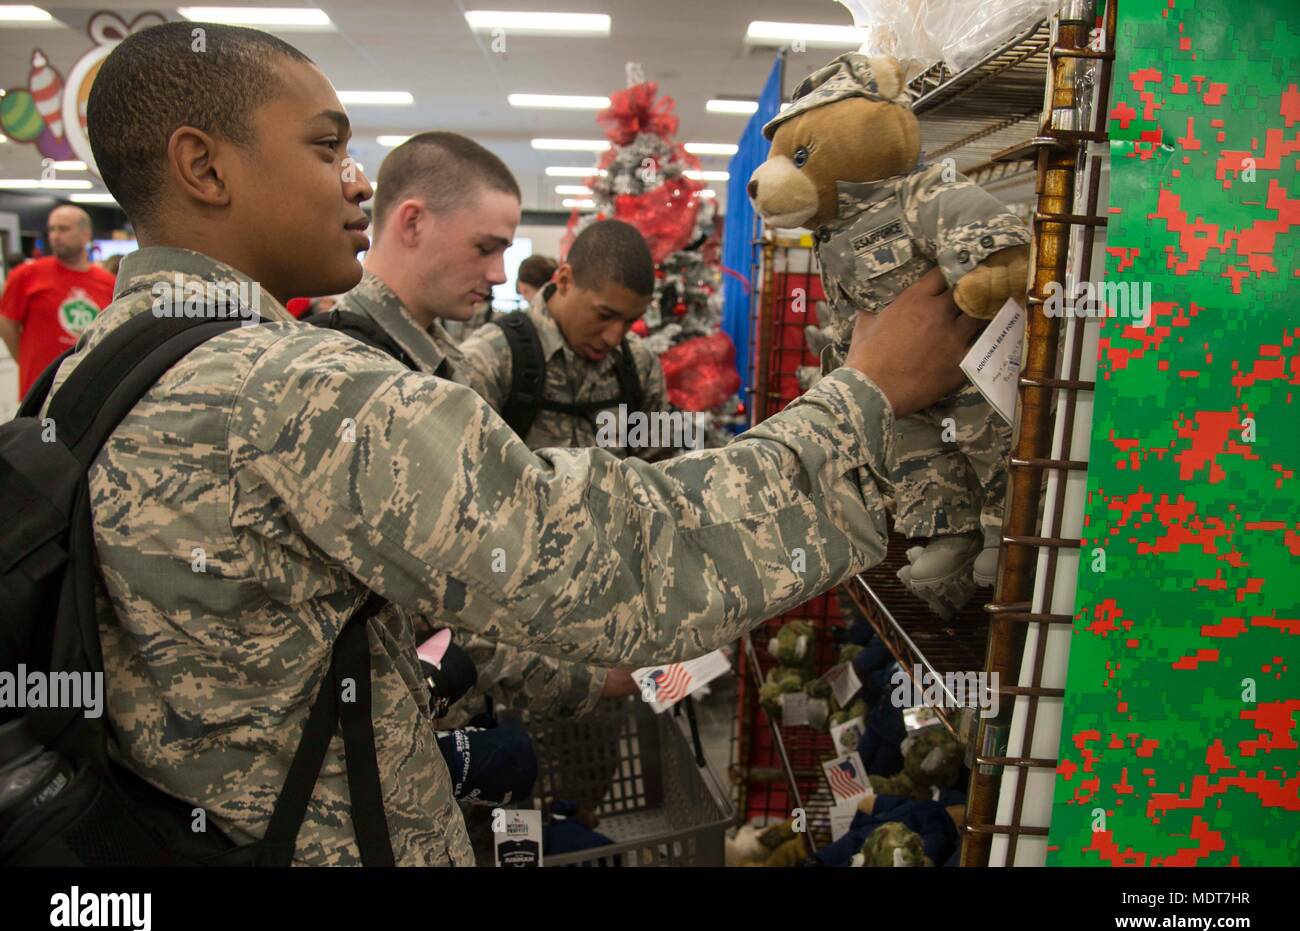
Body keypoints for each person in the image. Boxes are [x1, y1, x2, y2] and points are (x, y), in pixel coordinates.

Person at [52, 21, 980, 866]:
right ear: (204, 168)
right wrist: (865, 398)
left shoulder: (96, 366)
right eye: (325, 145)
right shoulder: (288, 390)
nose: (358, 180)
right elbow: (615, 555)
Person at [318, 131, 632, 724]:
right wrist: (580, 675)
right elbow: (419, 604)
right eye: (485, 247)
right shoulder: (361, 377)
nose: (497, 272)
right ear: (412, 223)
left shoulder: (436, 362)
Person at [460, 219, 676, 462]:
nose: (614, 337)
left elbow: (659, 473)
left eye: (629, 321)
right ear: (564, 280)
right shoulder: (490, 360)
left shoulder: (640, 364)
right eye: (604, 315)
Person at [0, 204, 115, 397]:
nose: (55, 235)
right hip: (40, 391)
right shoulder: (26, 275)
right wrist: (27, 361)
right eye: (52, 229)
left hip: (88, 389)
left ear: (86, 234)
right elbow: (6, 322)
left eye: (63, 229)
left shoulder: (108, 283)